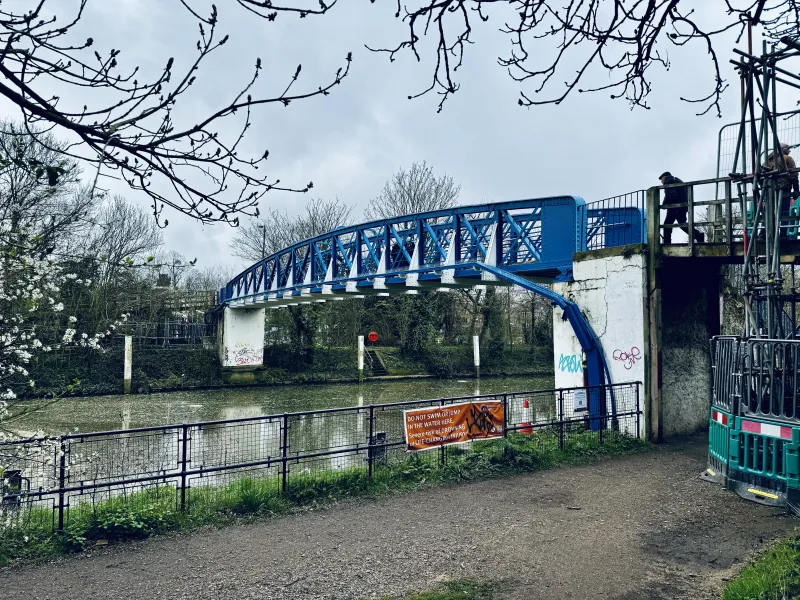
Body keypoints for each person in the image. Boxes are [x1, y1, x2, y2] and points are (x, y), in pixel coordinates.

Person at [659, 172, 705, 244]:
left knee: (667, 225)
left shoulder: (668, 181)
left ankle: (666, 243)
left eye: (661, 179)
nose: (661, 182)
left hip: (674, 207)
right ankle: (698, 235)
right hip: (683, 206)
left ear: (664, 177)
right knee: (682, 224)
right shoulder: (677, 180)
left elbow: (671, 195)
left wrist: (664, 205)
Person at [762, 143, 799, 230]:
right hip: (784, 187)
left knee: (768, 211)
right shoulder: (788, 159)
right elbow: (794, 175)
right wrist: (796, 190)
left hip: (769, 188)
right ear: (784, 150)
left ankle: (764, 233)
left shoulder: (767, 160)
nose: (789, 151)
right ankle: (783, 233)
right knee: (784, 211)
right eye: (788, 149)